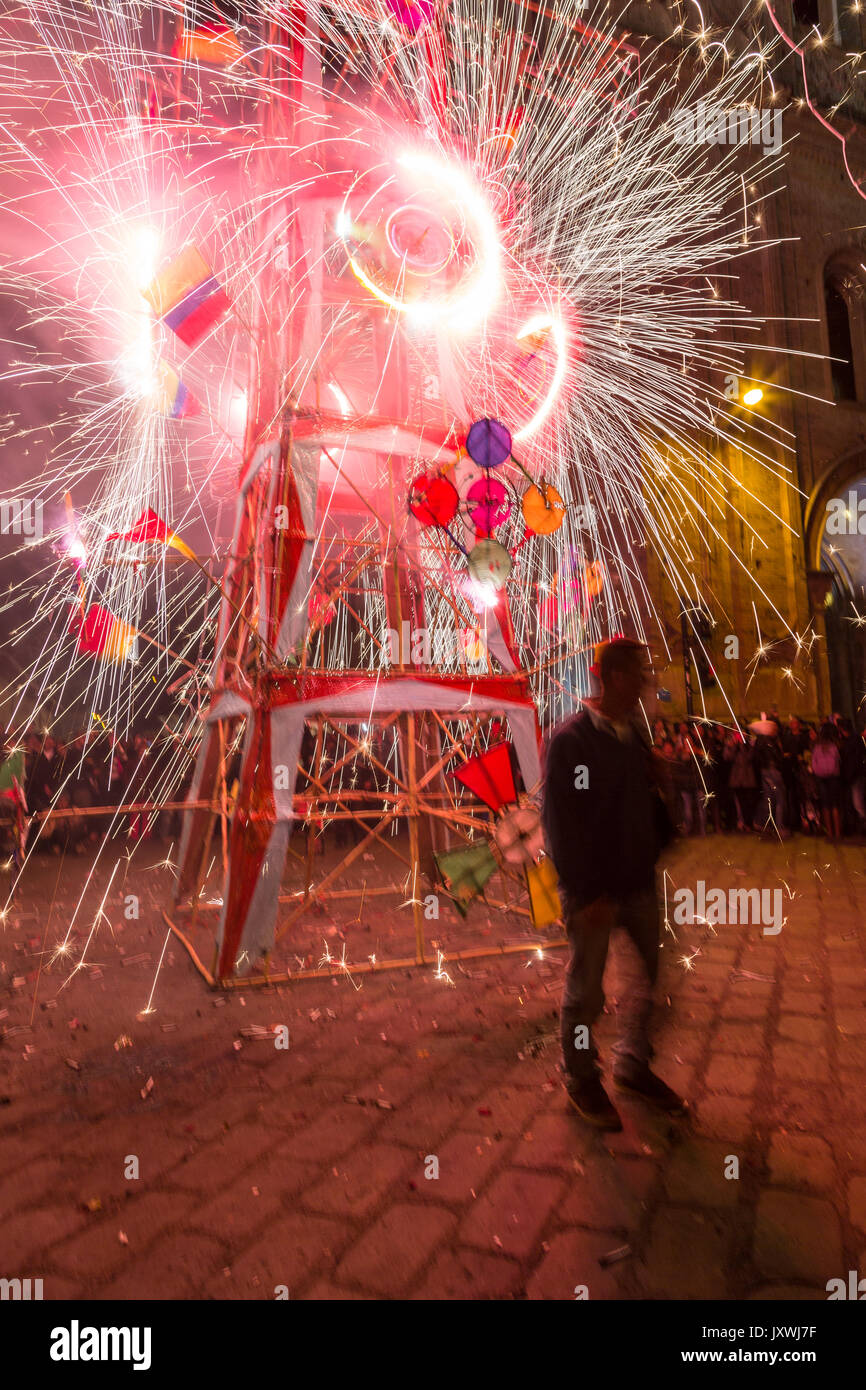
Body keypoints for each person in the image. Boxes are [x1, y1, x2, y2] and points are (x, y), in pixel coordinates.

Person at [542, 637, 685, 1130]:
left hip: (637, 885)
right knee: (586, 995)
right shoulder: (574, 743)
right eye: (640, 673)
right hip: (596, 895)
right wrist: (586, 893)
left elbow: (645, 814)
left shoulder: (633, 739)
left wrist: (661, 788)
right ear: (617, 677)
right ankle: (581, 1075)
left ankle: (632, 1063)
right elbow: (564, 824)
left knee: (651, 981)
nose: (647, 683)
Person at [812, 722, 843, 841]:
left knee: (825, 805)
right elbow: (838, 761)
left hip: (820, 777)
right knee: (835, 805)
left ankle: (830, 833)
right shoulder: (835, 746)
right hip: (834, 777)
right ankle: (838, 833)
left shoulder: (817, 746)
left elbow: (813, 762)